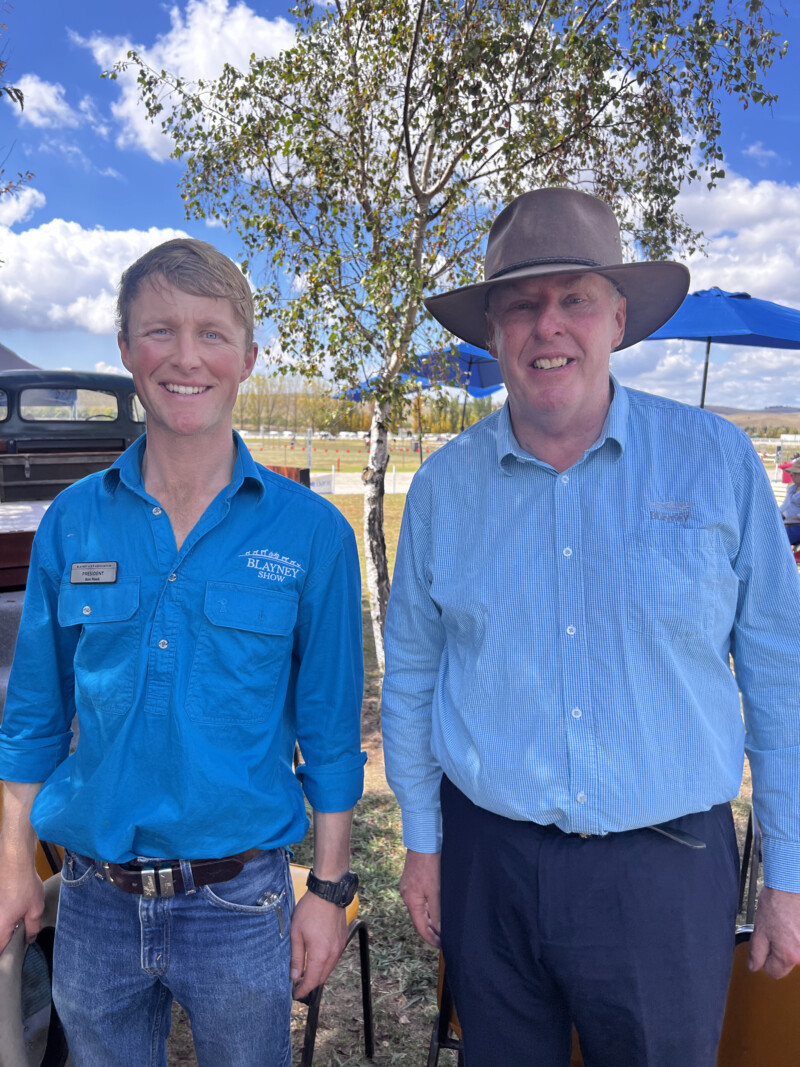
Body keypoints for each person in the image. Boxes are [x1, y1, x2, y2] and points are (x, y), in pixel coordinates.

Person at [381, 188, 800, 1067]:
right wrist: (422, 842)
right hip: (488, 862)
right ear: (492, 332)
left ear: (617, 318)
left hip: (665, 869)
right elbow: (412, 676)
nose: (549, 326)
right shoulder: (444, 491)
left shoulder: (717, 463)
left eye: (574, 297)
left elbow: (779, 673)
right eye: (521, 304)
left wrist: (789, 873)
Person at [0, 238, 365, 1067]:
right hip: (94, 901)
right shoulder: (72, 522)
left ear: (248, 358)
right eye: (160, 330)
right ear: (127, 349)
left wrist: (328, 889)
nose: (186, 356)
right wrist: (14, 857)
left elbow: (332, 733)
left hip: (240, 904)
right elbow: (32, 718)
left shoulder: (312, 534)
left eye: (211, 333)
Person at [780, 458, 800, 546]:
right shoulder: (792, 488)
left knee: (775, 537)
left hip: (796, 526)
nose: (792, 475)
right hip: (787, 523)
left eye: (795, 473)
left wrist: (787, 521)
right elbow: (784, 506)